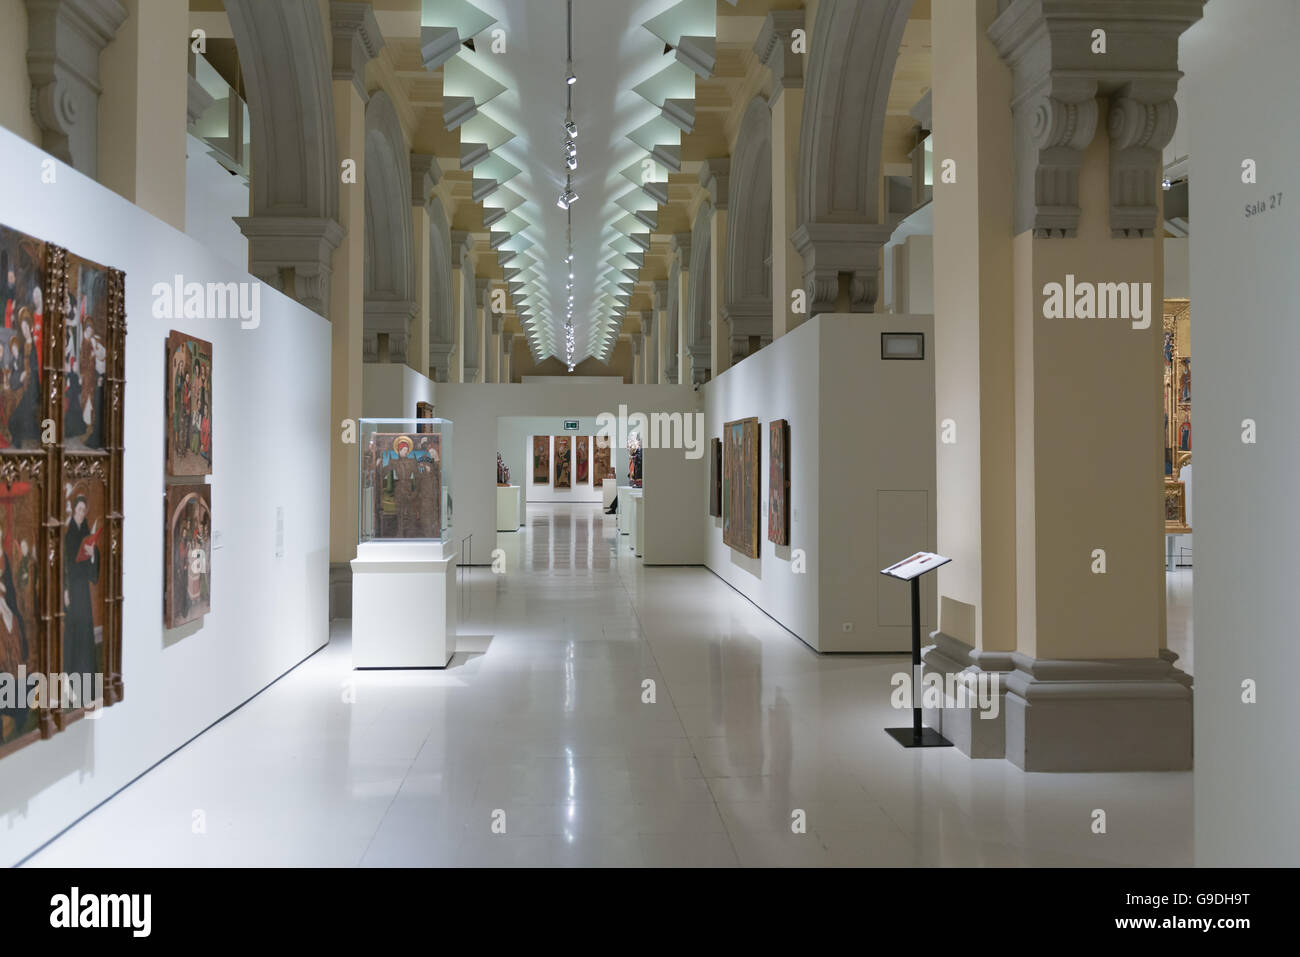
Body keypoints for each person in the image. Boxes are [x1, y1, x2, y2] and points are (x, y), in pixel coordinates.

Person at [63, 495, 100, 684]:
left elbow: (93, 564)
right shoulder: (68, 535)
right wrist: (65, 590)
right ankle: (70, 674)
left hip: (83, 590)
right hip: (71, 588)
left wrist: (93, 555)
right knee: (72, 629)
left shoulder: (86, 532)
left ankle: (85, 672)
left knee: (85, 628)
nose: (81, 514)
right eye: (78, 510)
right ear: (74, 512)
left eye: (83, 511)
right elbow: (63, 565)